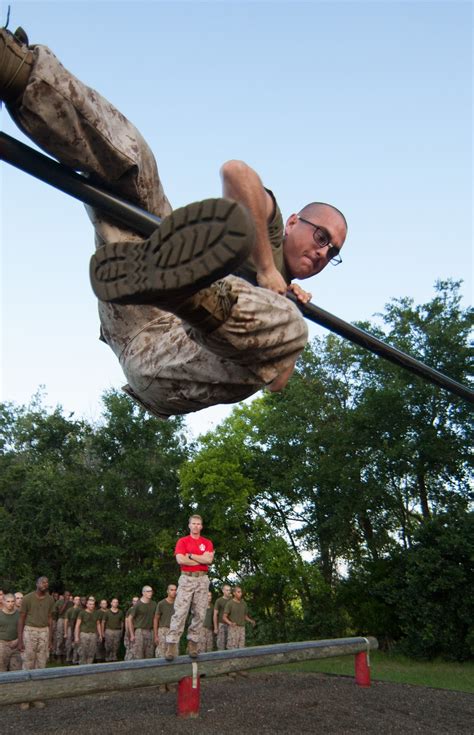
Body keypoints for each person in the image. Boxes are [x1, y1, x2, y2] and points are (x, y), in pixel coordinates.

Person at [0, 26, 347, 421]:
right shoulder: (266, 233)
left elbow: (278, 383)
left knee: (289, 329)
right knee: (134, 165)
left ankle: (191, 293)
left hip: (168, 359)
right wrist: (267, 269)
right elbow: (237, 173)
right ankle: (17, 71)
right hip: (133, 298)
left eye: (333, 252)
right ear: (295, 222)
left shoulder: (286, 303)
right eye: (322, 236)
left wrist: (285, 307)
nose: (323, 251)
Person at [165, 515, 214, 660]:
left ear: (201, 526)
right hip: (186, 578)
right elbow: (180, 559)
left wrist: (191, 556)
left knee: (200, 613)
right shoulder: (183, 541)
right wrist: (200, 559)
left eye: (198, 524)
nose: (196, 526)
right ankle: (172, 645)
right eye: (193, 523)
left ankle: (193, 643)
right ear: (189, 525)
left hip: (202, 579)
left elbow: (209, 560)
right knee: (180, 612)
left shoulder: (207, 542)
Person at [17, 576, 56, 709]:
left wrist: (50, 639)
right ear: (37, 583)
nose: (45, 584)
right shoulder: (27, 598)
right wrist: (20, 640)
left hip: (44, 631)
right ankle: (25, 698)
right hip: (30, 631)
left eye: (47, 582)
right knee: (28, 664)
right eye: (43, 582)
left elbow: (50, 618)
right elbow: (21, 619)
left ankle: (37, 697)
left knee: (41, 664)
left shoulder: (50, 599)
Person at [127, 586, 156, 660]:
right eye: (148, 591)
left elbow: (156, 618)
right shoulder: (138, 604)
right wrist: (132, 634)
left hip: (150, 631)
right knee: (138, 654)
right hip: (140, 631)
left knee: (149, 654)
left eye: (151, 591)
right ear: (143, 593)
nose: (150, 593)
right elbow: (129, 619)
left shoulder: (154, 604)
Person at [74, 596, 102, 665]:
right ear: (87, 605)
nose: (92, 606)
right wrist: (76, 637)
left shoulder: (96, 613)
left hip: (93, 634)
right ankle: (82, 666)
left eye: (93, 604)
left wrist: (100, 635)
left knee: (92, 652)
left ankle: (89, 666)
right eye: (90, 604)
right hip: (84, 634)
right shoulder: (82, 613)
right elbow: (77, 625)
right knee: (83, 652)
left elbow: (98, 624)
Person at [153, 584, 177, 659]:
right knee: (161, 653)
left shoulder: (179, 603)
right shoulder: (161, 604)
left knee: (174, 653)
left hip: (174, 630)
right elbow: (156, 619)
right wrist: (156, 635)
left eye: (175, 590)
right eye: (171, 590)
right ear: (167, 591)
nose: (174, 592)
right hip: (163, 630)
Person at [0, 593, 22, 672]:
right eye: (8, 601)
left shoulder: (19, 614)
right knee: (2, 670)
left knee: (16, 670)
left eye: (12, 601)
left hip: (15, 646)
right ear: (3, 602)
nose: (10, 604)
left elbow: (22, 629)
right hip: (2, 646)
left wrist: (18, 640)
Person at [102, 598, 124, 662]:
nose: (115, 603)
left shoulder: (120, 612)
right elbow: (103, 622)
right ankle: (107, 657)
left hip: (117, 631)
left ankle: (114, 657)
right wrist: (103, 632)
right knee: (108, 645)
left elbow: (122, 622)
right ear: (111, 603)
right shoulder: (107, 612)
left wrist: (121, 631)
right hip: (109, 630)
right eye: (114, 602)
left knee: (116, 645)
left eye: (117, 602)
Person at [53, 590, 72, 660]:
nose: (68, 597)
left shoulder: (71, 603)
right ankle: (58, 654)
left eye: (69, 595)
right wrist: (65, 603)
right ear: (63, 595)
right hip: (61, 620)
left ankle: (65, 655)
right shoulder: (59, 602)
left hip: (68, 621)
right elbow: (60, 612)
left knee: (67, 639)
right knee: (59, 638)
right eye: (66, 595)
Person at [213, 583, 232, 650]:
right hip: (222, 624)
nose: (228, 592)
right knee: (221, 644)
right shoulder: (219, 601)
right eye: (227, 590)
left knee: (231, 644)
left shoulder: (232, 600)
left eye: (229, 590)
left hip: (231, 624)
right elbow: (215, 614)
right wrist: (215, 627)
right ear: (223, 591)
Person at [64, 594, 82, 664]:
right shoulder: (69, 610)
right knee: (69, 644)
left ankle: (75, 659)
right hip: (70, 628)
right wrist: (65, 632)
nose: (78, 601)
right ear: (73, 601)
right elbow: (66, 621)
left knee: (77, 644)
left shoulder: (81, 610)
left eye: (79, 600)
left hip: (77, 628)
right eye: (76, 599)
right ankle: (68, 658)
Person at [123, 596, 139, 661]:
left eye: (137, 601)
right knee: (129, 646)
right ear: (132, 602)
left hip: (137, 630)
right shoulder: (130, 610)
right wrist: (127, 631)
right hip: (130, 630)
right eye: (134, 601)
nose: (135, 602)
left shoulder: (140, 609)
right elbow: (127, 620)